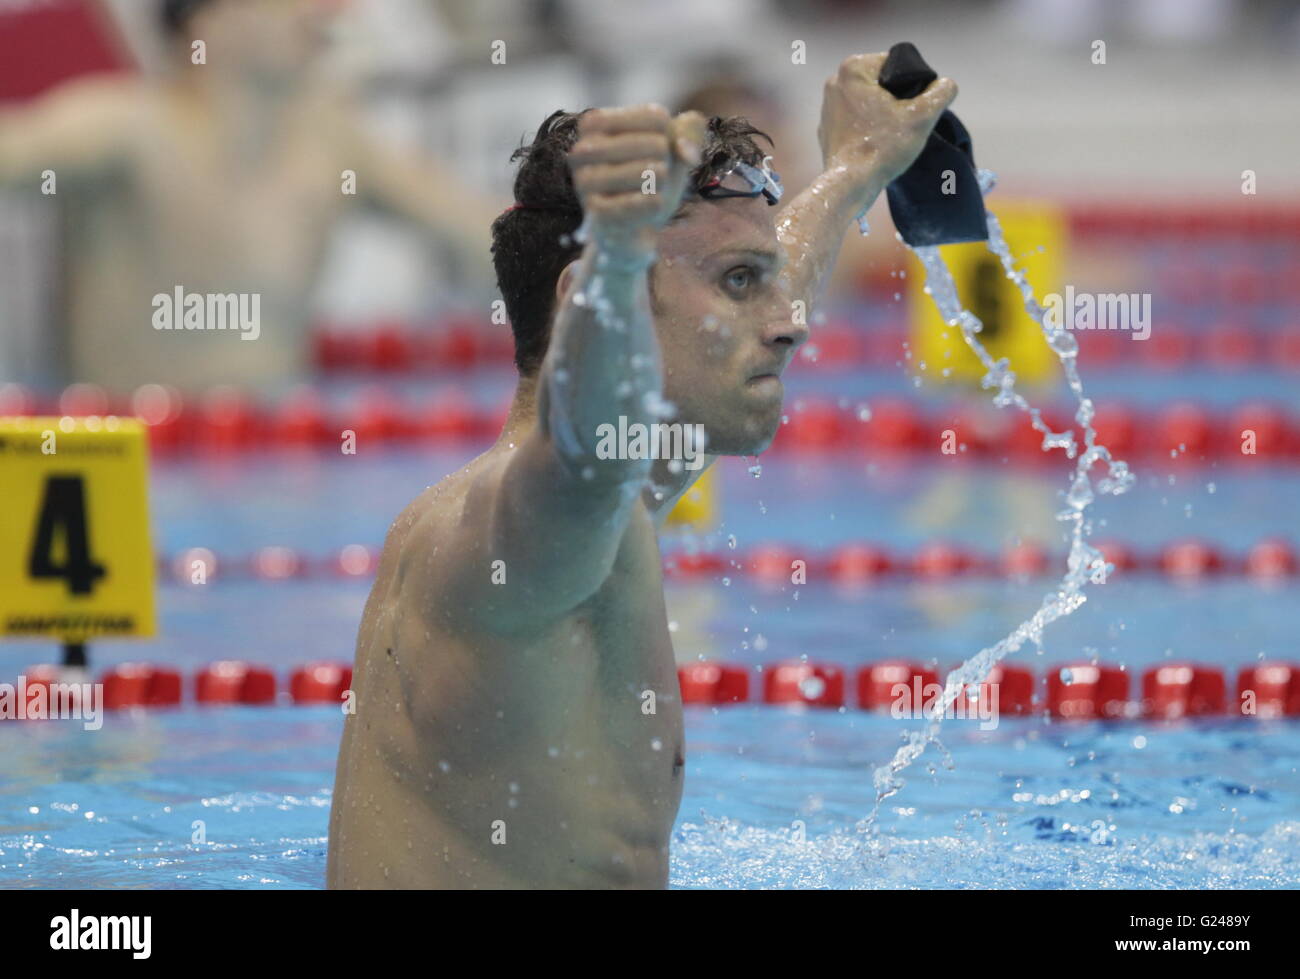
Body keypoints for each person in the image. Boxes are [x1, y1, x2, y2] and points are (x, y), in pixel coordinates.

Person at [326, 52, 955, 889]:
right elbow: (579, 458)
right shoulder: (511, 529)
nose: (790, 325)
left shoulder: (629, 486)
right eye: (739, 282)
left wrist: (856, 167)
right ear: (589, 301)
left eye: (762, 279)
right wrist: (619, 263)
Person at [0, 0, 496, 393]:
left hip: (269, 456)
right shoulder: (124, 129)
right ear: (214, 19)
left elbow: (485, 233)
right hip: (139, 458)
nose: (319, 12)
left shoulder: (332, 144)